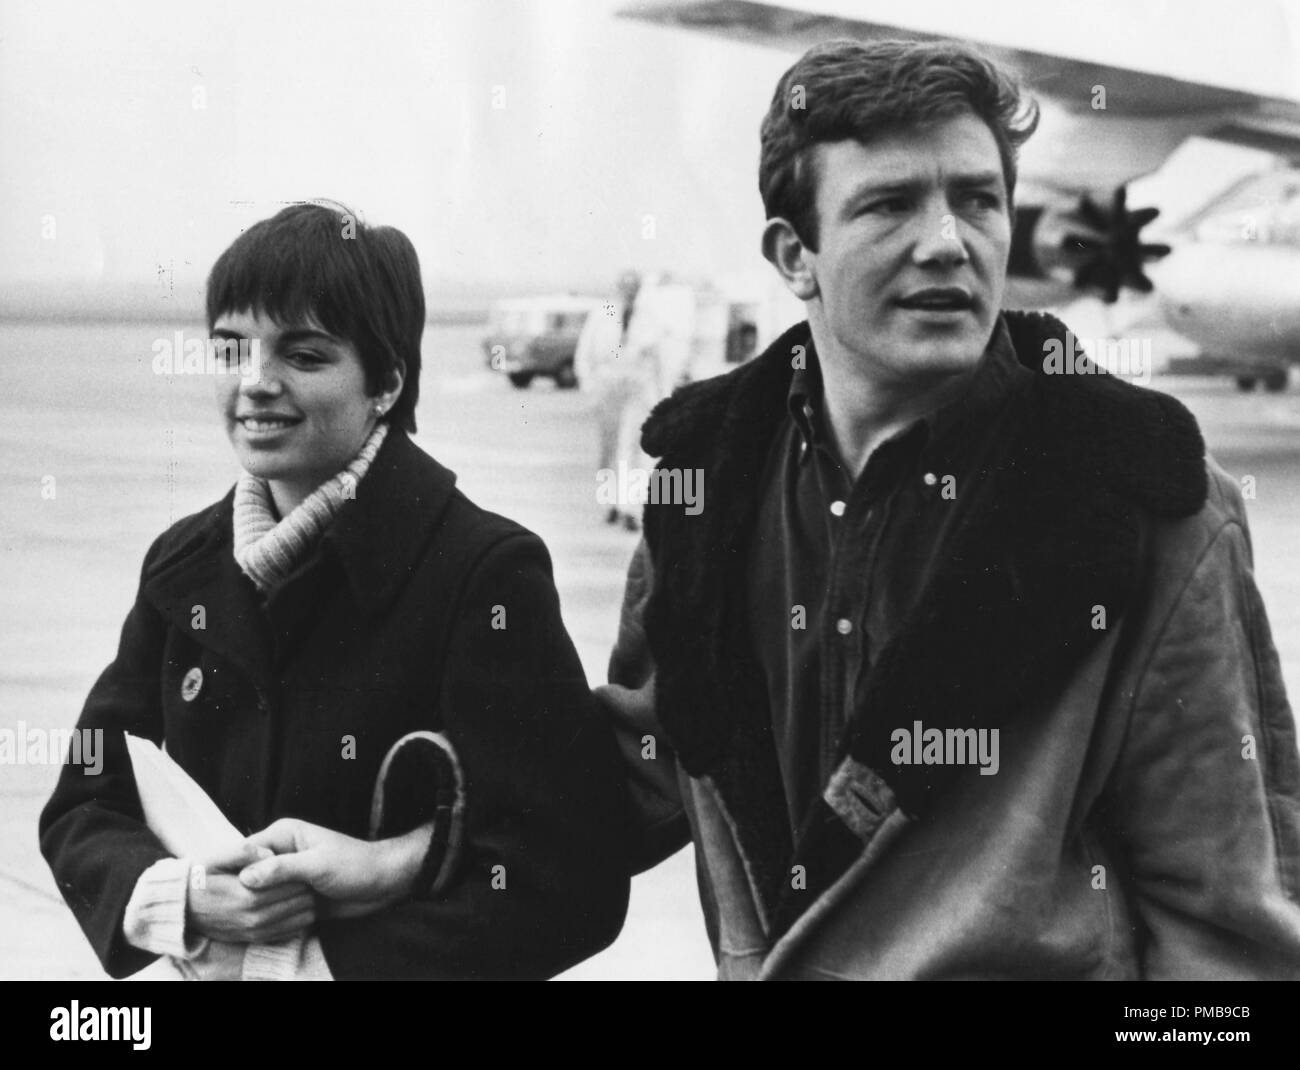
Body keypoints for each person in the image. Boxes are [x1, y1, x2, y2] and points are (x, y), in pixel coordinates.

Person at [598, 38, 1300, 979]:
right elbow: (628, 777)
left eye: (978, 199)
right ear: (793, 256)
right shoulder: (703, 489)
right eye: (890, 205)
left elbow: (1224, 939)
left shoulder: (1149, 507)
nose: (948, 242)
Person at [40, 202, 629, 980]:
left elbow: (570, 877)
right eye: (230, 352)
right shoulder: (181, 565)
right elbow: (85, 801)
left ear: (386, 381)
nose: (255, 385)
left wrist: (321, 966)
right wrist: (181, 898)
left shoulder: (482, 571)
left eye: (304, 356)